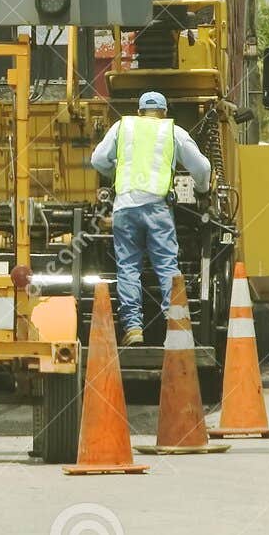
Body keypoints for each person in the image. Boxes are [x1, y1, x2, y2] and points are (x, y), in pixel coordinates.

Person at [89, 91, 214, 346]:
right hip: (157, 209)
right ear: (164, 112)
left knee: (128, 268)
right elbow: (202, 168)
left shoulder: (122, 126)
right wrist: (202, 191)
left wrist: (117, 171)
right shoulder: (173, 132)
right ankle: (175, 325)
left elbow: (98, 160)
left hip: (124, 207)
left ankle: (134, 328)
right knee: (167, 266)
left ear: (139, 112)